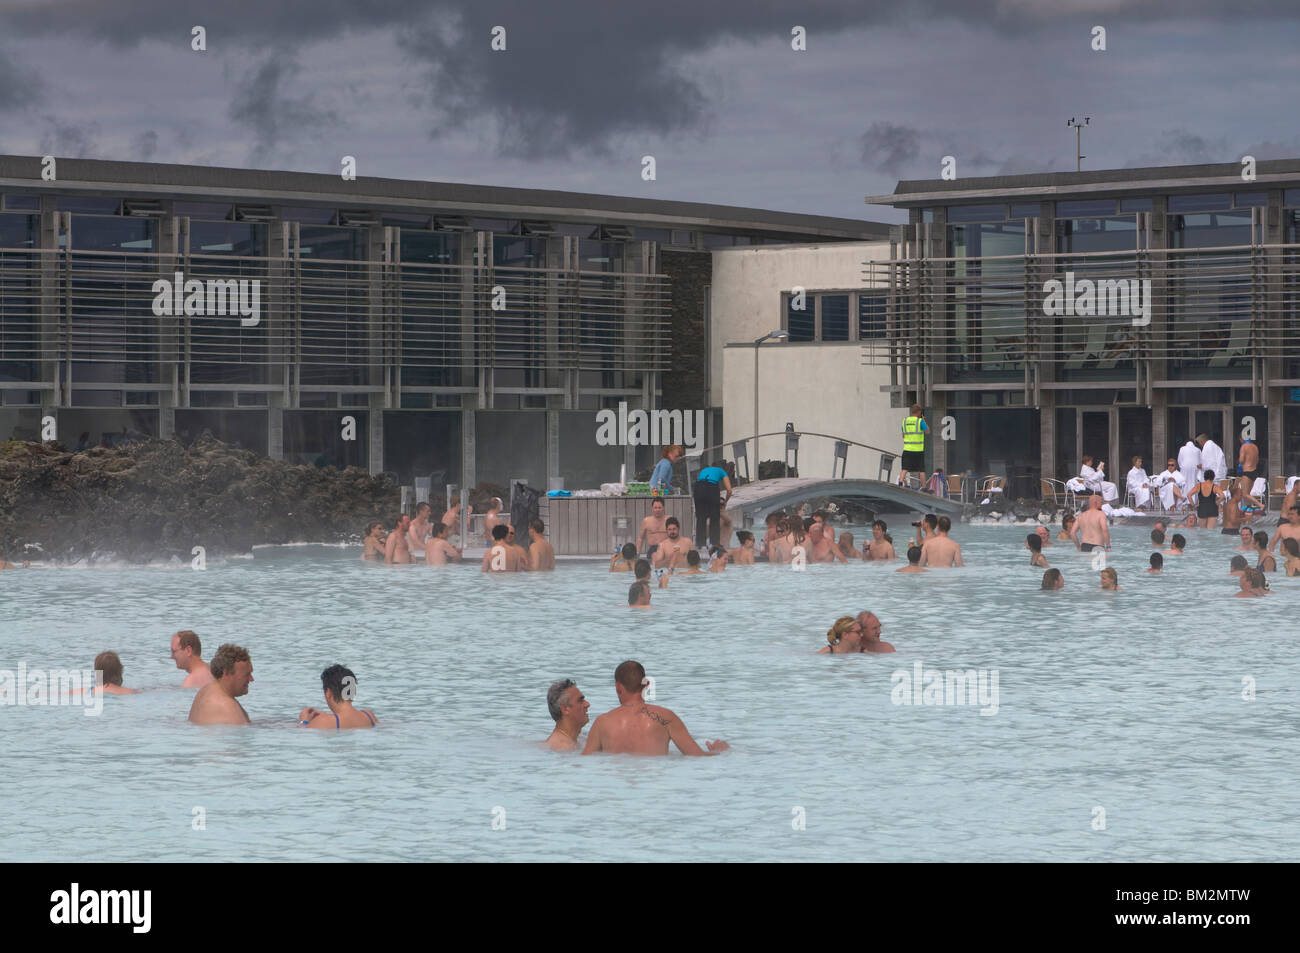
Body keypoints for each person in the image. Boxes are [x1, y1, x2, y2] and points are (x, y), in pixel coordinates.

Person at [581, 660, 728, 756]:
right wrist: (720, 751)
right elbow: (697, 756)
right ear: (647, 685)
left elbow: (586, 761)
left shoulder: (602, 722)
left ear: (618, 687)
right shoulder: (667, 717)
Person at [188, 644, 254, 725]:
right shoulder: (229, 709)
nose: (251, 679)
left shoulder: (205, 690)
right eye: (246, 675)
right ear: (226, 673)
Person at [298, 664, 377, 730]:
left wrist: (303, 722)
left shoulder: (324, 721)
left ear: (328, 693)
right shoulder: (369, 716)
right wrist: (327, 716)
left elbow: (304, 737)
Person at [692, 464, 732, 551]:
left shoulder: (705, 470)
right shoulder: (722, 472)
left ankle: (700, 545)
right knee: (714, 517)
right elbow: (729, 490)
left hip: (698, 488)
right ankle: (714, 544)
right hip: (711, 487)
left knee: (701, 518)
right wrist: (726, 501)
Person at [545, 679, 590, 751]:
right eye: (580, 700)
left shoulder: (580, 737)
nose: (587, 704)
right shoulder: (563, 747)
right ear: (565, 709)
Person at [899, 403, 929, 489]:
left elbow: (903, 435)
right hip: (918, 451)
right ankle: (924, 488)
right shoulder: (920, 421)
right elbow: (927, 431)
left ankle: (900, 484)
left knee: (904, 468)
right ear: (919, 412)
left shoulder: (905, 421)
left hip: (907, 449)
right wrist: (924, 420)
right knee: (921, 470)